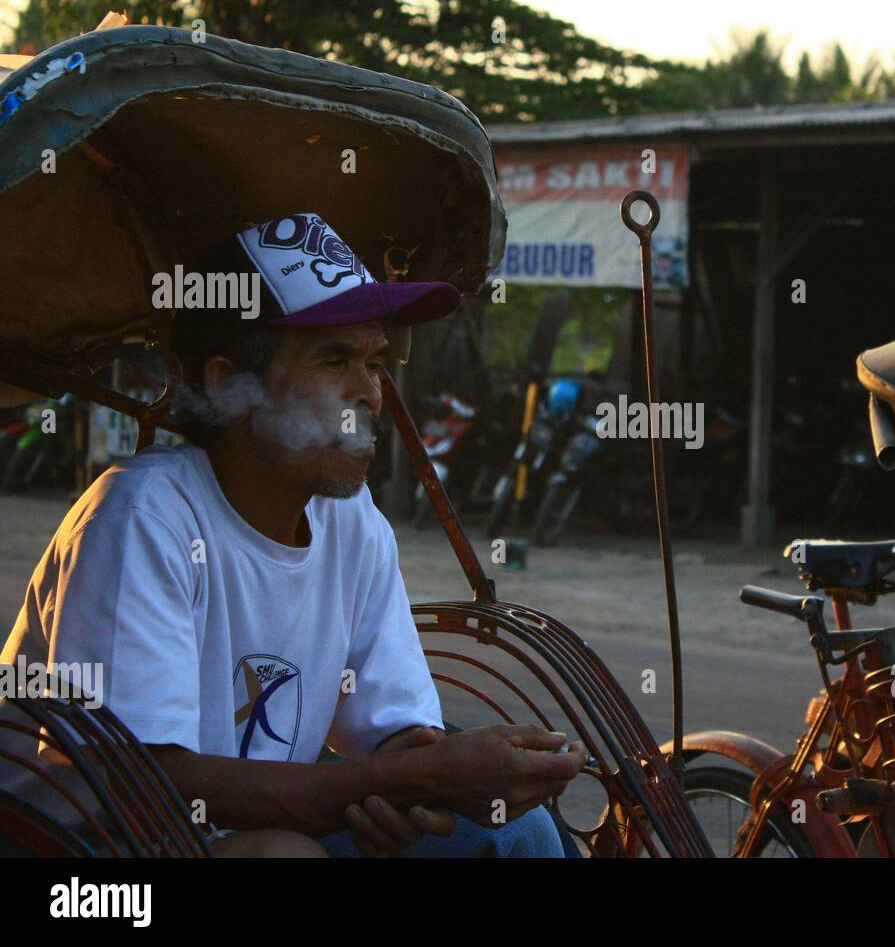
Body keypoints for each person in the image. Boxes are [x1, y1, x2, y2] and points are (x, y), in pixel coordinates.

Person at [0, 213, 585, 857]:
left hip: (232, 834)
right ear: (231, 387)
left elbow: (391, 731)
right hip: (84, 858)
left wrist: (421, 787)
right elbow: (141, 782)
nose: (369, 391)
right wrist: (399, 778)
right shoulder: (143, 516)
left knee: (521, 833)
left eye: (375, 361)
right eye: (335, 359)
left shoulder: (353, 522)